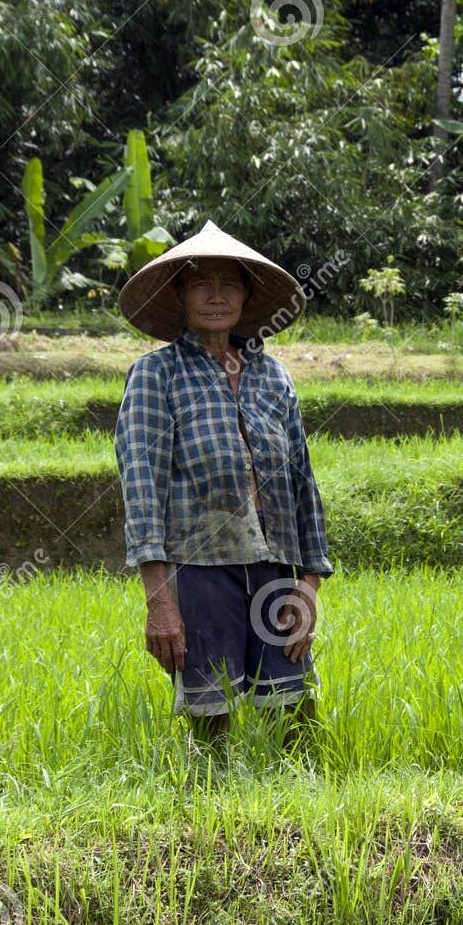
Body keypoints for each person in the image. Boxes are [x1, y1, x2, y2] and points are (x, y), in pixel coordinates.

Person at [113, 220, 332, 747]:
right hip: (198, 568)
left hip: (275, 563)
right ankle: (214, 813)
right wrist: (159, 601)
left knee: (296, 711)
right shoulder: (156, 375)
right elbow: (142, 485)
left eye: (229, 283)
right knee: (210, 719)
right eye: (200, 283)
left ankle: (304, 810)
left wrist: (309, 581)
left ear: (247, 296)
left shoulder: (274, 375)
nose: (216, 296)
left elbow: (302, 479)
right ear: (180, 297)